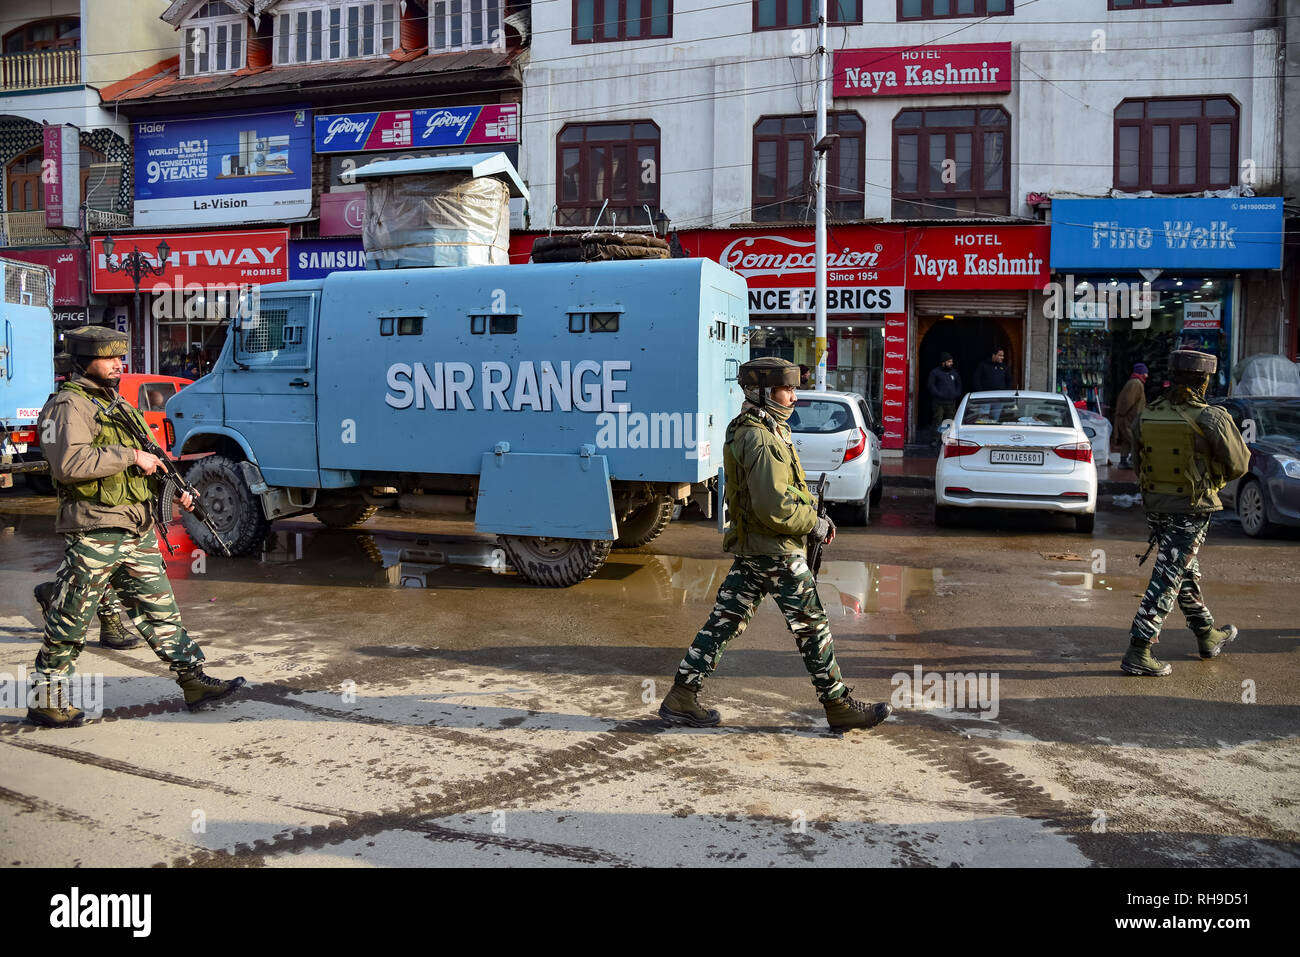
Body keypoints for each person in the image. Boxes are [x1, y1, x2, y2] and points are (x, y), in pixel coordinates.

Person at [657, 357, 892, 732]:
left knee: (723, 622)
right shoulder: (760, 436)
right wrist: (814, 524)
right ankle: (837, 705)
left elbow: (781, 494)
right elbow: (774, 507)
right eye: (787, 389)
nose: (794, 397)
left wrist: (814, 515)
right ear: (764, 392)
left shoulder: (759, 428)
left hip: (757, 548)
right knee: (812, 625)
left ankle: (681, 697)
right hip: (775, 550)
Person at [29, 326, 245, 728]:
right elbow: (69, 464)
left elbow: (151, 457)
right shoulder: (68, 406)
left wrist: (175, 487)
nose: (117, 364)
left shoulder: (116, 404)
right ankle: (46, 699)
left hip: (135, 527)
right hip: (95, 527)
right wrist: (128, 456)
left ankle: (193, 681)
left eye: (119, 357)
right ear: (83, 361)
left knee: (161, 610)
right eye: (108, 358)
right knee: (70, 618)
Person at [1121, 350, 1250, 677]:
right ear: (1204, 380)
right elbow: (1240, 463)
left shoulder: (1148, 414)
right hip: (1191, 507)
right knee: (1168, 575)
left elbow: (1138, 464)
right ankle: (1140, 648)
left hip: (1156, 506)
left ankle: (1207, 634)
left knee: (1182, 568)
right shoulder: (1211, 417)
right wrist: (1212, 477)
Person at [1113, 362, 1148, 469]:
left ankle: (1123, 461)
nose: (1147, 375)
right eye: (1146, 373)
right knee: (1135, 440)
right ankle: (1133, 461)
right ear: (1141, 373)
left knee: (1127, 441)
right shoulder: (1136, 383)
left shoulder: (1135, 382)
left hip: (1130, 418)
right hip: (1129, 419)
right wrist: (1122, 414)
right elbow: (1127, 401)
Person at [927, 352, 962, 446]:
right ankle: (935, 439)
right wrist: (938, 394)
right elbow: (931, 385)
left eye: (951, 361)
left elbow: (959, 384)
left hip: (951, 402)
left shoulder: (954, 372)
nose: (951, 363)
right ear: (943, 362)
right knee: (937, 420)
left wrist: (956, 394)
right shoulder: (935, 372)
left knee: (949, 421)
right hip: (938, 402)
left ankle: (946, 438)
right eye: (949, 361)